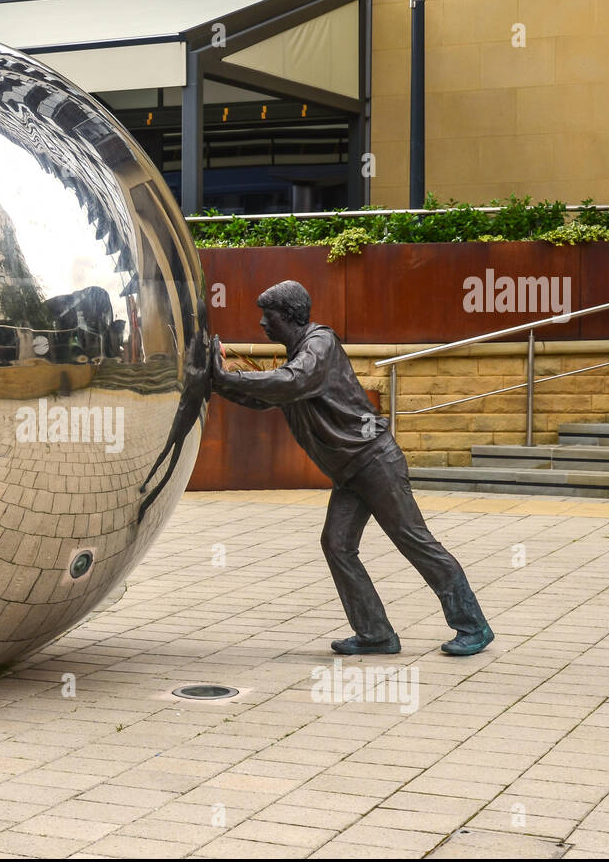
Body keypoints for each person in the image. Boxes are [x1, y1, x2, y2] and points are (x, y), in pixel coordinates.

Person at [210, 280, 494, 657]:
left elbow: (294, 382)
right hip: (351, 470)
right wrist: (215, 381)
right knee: (337, 544)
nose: (262, 323)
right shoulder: (298, 358)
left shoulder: (318, 344)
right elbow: (266, 398)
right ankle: (375, 634)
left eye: (269, 315)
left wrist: (227, 376)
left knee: (414, 540)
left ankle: (473, 625)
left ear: (290, 316)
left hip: (374, 461)